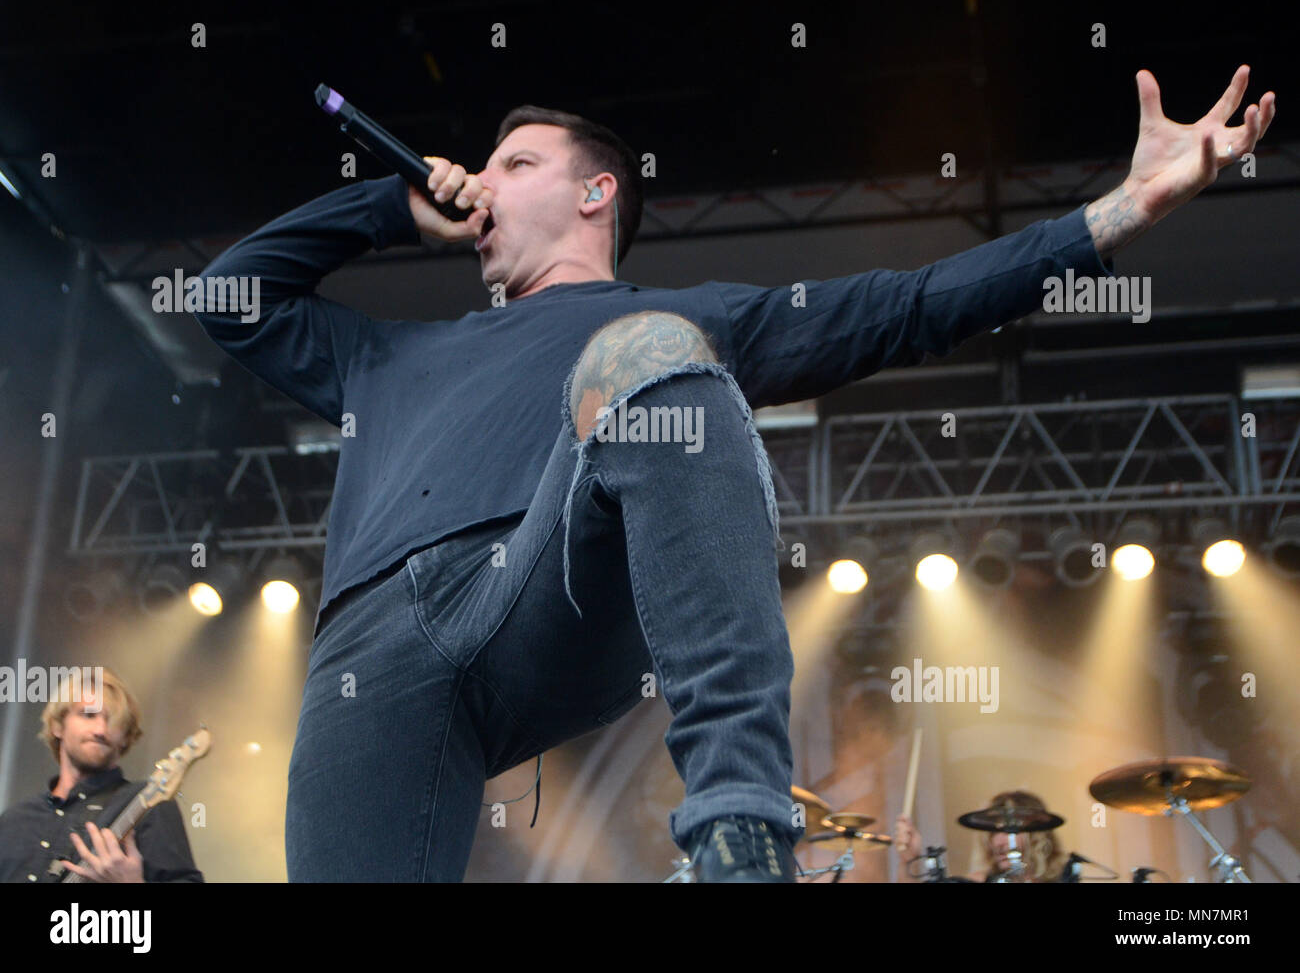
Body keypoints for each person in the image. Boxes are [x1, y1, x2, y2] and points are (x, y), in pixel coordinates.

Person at [193, 68, 1273, 882]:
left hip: (541, 580)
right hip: (371, 655)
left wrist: (1122, 210)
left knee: (653, 353)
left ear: (595, 194)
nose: (484, 181)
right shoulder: (388, 355)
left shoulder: (674, 317)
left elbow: (907, 302)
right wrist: (386, 208)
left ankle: (737, 830)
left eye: (516, 163)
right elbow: (226, 295)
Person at [0, 668, 203, 883]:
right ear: (57, 726)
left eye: (114, 721)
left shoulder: (149, 802)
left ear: (126, 737)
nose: (101, 730)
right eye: (89, 715)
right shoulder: (13, 819)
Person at [895, 790, 1066, 882]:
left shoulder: (1066, 878)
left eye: (1009, 831)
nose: (999, 842)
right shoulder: (979, 881)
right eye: (993, 832)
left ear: (1037, 835)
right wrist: (908, 859)